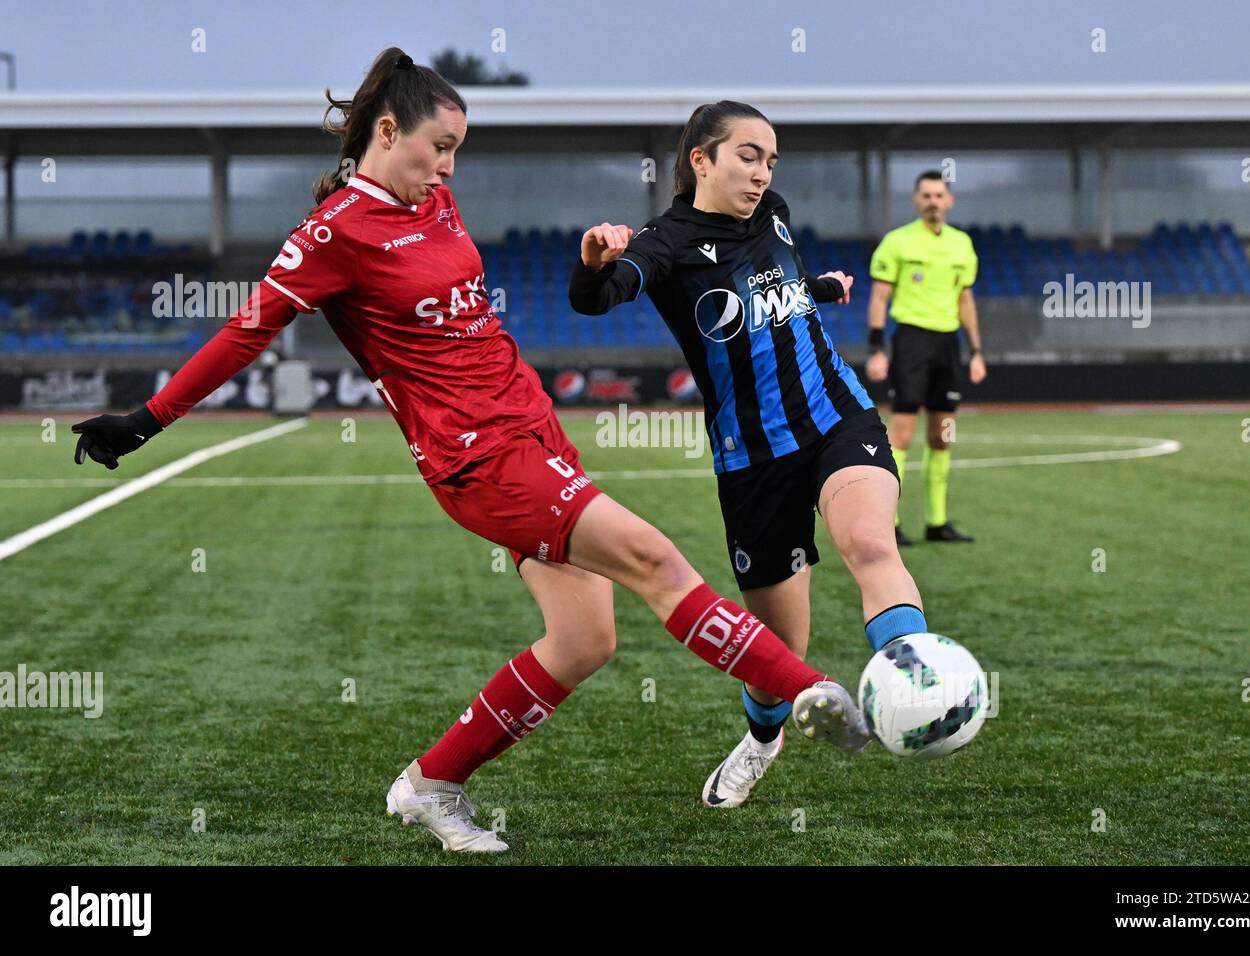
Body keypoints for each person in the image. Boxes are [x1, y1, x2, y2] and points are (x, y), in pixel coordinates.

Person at [68, 51, 871, 854]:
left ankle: (431, 784)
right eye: (439, 147)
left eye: (457, 150)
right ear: (388, 132)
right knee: (653, 560)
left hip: (531, 426)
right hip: (477, 458)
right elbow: (246, 332)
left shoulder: (436, 200)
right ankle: (817, 693)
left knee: (585, 639)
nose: (449, 167)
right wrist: (146, 419)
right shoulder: (333, 234)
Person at [569, 101, 928, 810]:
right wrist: (593, 262)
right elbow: (599, 297)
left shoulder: (775, 212)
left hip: (836, 416)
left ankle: (920, 684)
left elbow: (779, 286)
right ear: (700, 160)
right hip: (753, 459)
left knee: (870, 543)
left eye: (769, 160)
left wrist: (820, 288)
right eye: (747, 156)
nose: (762, 173)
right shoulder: (664, 243)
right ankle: (763, 739)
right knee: (776, 655)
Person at [866, 170, 986, 545]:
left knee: (943, 435)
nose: (933, 201)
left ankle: (937, 522)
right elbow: (879, 299)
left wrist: (976, 351)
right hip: (911, 344)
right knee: (901, 433)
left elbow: (965, 300)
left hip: (947, 346)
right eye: (927, 195)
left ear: (949, 201)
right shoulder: (897, 242)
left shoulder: (962, 245)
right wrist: (876, 348)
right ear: (917, 200)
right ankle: (892, 522)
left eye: (939, 195)